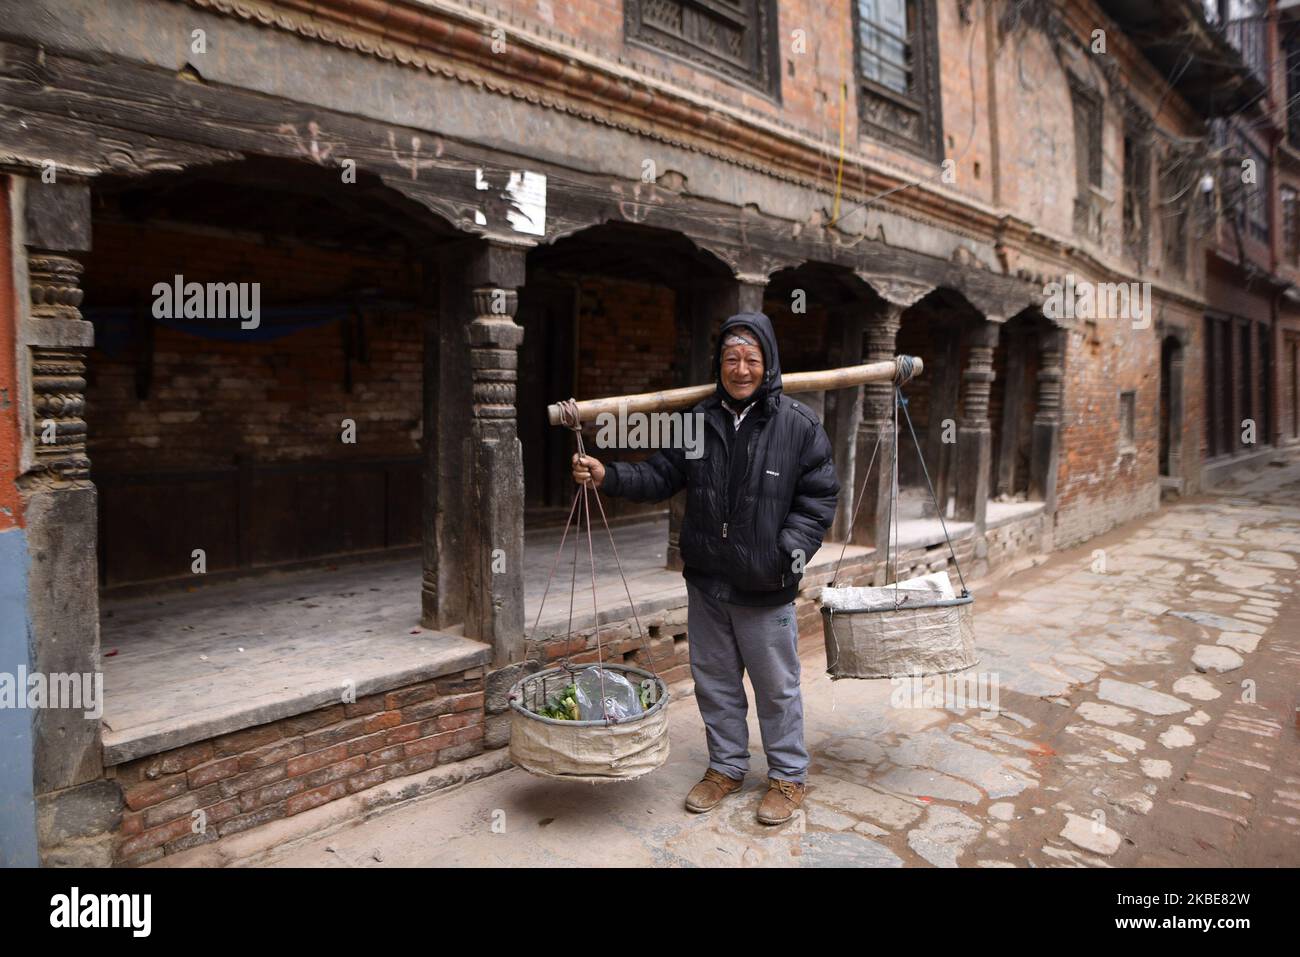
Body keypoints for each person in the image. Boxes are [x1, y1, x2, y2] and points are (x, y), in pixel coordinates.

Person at [570, 311, 839, 824]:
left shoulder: (798, 427)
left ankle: (787, 776)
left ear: (769, 364)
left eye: (751, 360)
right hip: (707, 581)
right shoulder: (698, 421)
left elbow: (819, 500)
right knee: (714, 680)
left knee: (776, 686)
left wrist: (786, 554)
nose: (741, 369)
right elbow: (659, 476)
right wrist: (607, 474)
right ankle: (726, 768)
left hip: (766, 584)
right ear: (719, 365)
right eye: (731, 359)